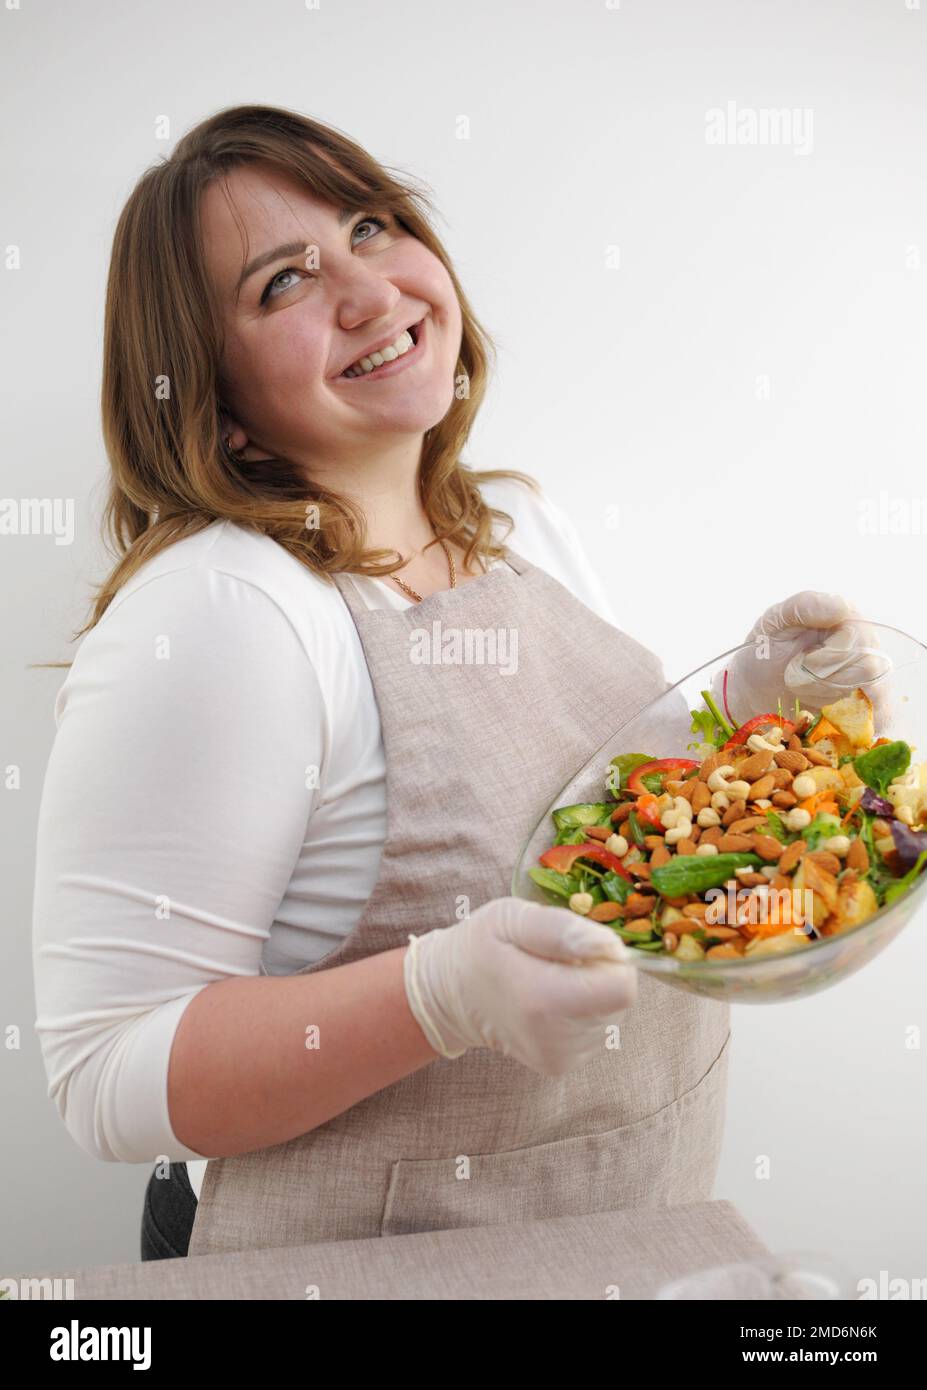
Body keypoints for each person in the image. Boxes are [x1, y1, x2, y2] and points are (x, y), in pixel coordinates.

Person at [30, 105, 871, 1263]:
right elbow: (103, 1072)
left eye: (372, 226)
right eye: (283, 284)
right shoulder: (225, 613)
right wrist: (434, 997)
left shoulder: (515, 521)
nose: (370, 292)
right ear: (213, 407)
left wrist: (749, 710)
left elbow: (592, 813)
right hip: (355, 1264)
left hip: (621, 1225)